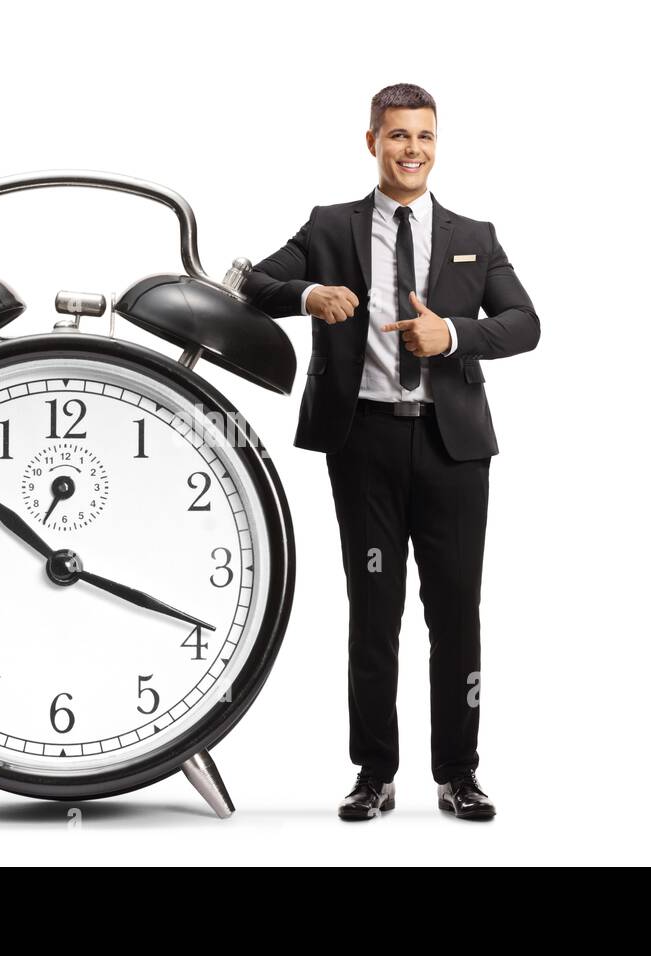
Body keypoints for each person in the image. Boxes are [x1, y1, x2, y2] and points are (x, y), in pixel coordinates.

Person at [242, 83, 540, 821]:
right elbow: (253, 283)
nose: (413, 150)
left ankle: (459, 774)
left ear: (437, 145)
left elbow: (525, 323)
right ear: (371, 140)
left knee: (456, 614)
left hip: (454, 449)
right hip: (365, 442)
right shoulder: (331, 226)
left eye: (425, 137)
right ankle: (374, 773)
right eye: (399, 135)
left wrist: (456, 336)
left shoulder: (477, 232)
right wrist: (308, 293)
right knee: (373, 612)